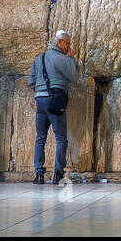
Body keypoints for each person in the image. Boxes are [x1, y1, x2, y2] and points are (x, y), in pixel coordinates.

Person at [27, 29, 79, 184]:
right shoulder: (61, 58)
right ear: (59, 42)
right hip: (55, 100)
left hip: (40, 101)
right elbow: (74, 76)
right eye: (67, 43)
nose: (68, 47)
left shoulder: (39, 59)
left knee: (40, 138)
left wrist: (41, 89)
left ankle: (39, 174)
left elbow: (31, 82)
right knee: (61, 138)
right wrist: (71, 59)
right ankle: (58, 172)